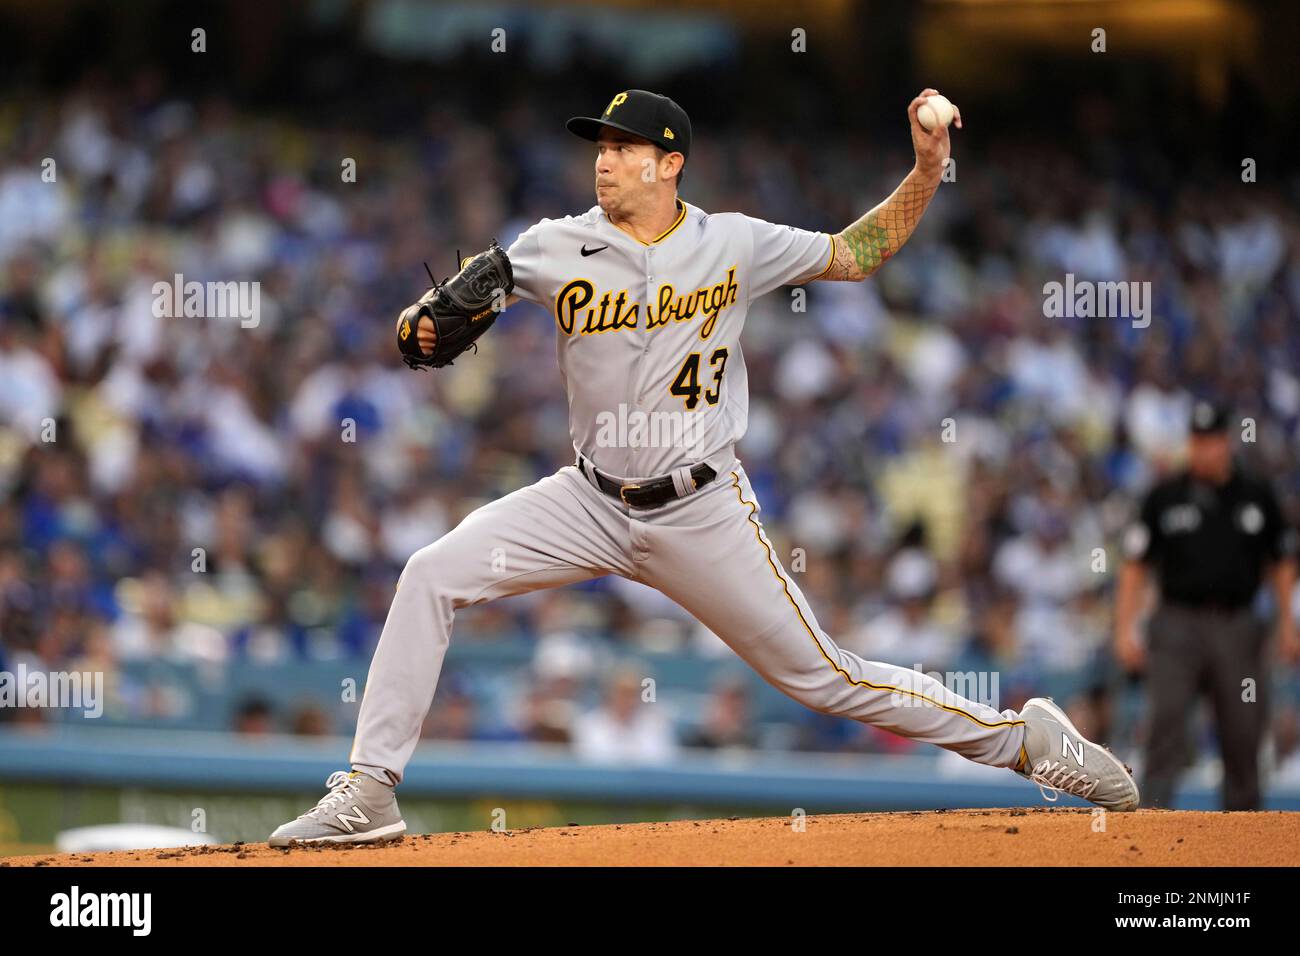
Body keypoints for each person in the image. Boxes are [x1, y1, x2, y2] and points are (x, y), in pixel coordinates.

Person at [269, 88, 1140, 847]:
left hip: (700, 508)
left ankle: (1029, 743)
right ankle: (371, 790)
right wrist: (419, 324)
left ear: (670, 163)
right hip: (587, 499)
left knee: (826, 677)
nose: (603, 163)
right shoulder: (551, 245)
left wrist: (924, 170)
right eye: (599, 148)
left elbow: (858, 253)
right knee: (430, 571)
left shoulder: (735, 243)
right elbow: (438, 314)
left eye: (622, 149)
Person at [1115, 400, 1299, 810]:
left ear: (1227, 442)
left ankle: (1243, 833)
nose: (1203, 450)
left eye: (1211, 441)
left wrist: (1288, 626)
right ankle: (1150, 826)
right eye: (1197, 441)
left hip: (1238, 625)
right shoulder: (1165, 495)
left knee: (1242, 732)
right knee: (1166, 726)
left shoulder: (1256, 494)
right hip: (1176, 625)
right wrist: (1124, 629)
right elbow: (1134, 565)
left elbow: (1283, 560)